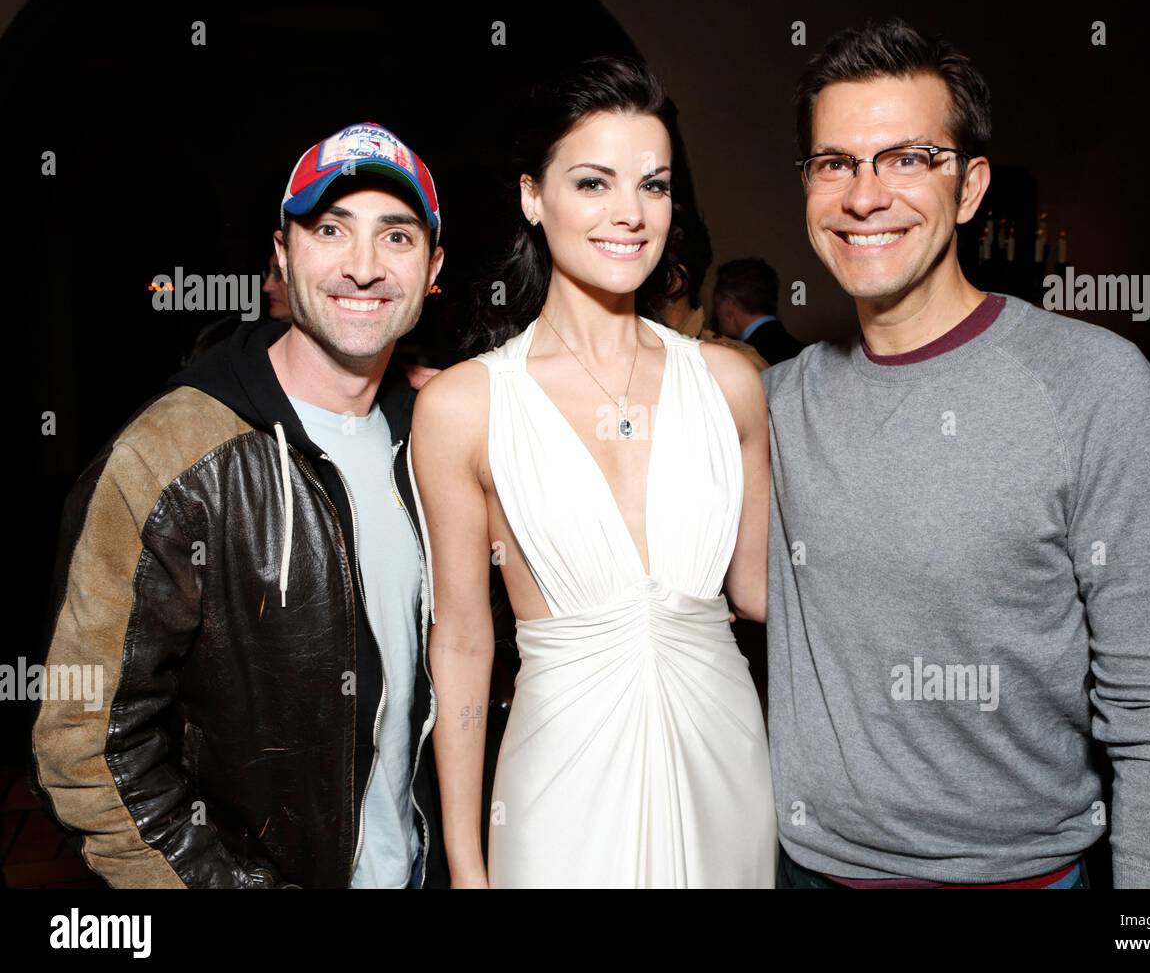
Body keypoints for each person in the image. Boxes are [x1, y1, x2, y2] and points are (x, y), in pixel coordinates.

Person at [763, 18, 1150, 889]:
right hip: (807, 871)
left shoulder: (1091, 383)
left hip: (1023, 878)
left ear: (970, 188)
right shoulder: (779, 402)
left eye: (907, 158)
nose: (865, 195)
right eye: (835, 163)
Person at [32, 121, 449, 888]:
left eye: (396, 235)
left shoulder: (440, 439)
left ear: (432, 268)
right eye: (331, 229)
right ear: (283, 256)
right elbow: (81, 743)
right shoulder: (170, 457)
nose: (363, 266)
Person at [412, 56, 777, 888]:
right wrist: (467, 863)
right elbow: (464, 643)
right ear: (532, 196)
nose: (630, 213)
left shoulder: (731, 384)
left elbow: (761, 592)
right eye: (592, 182)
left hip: (726, 767)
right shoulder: (465, 407)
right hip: (557, 785)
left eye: (654, 184)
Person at [713, 258, 804, 366]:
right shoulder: (805, 353)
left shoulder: (738, 361)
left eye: (717, 304)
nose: (716, 313)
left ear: (729, 307)